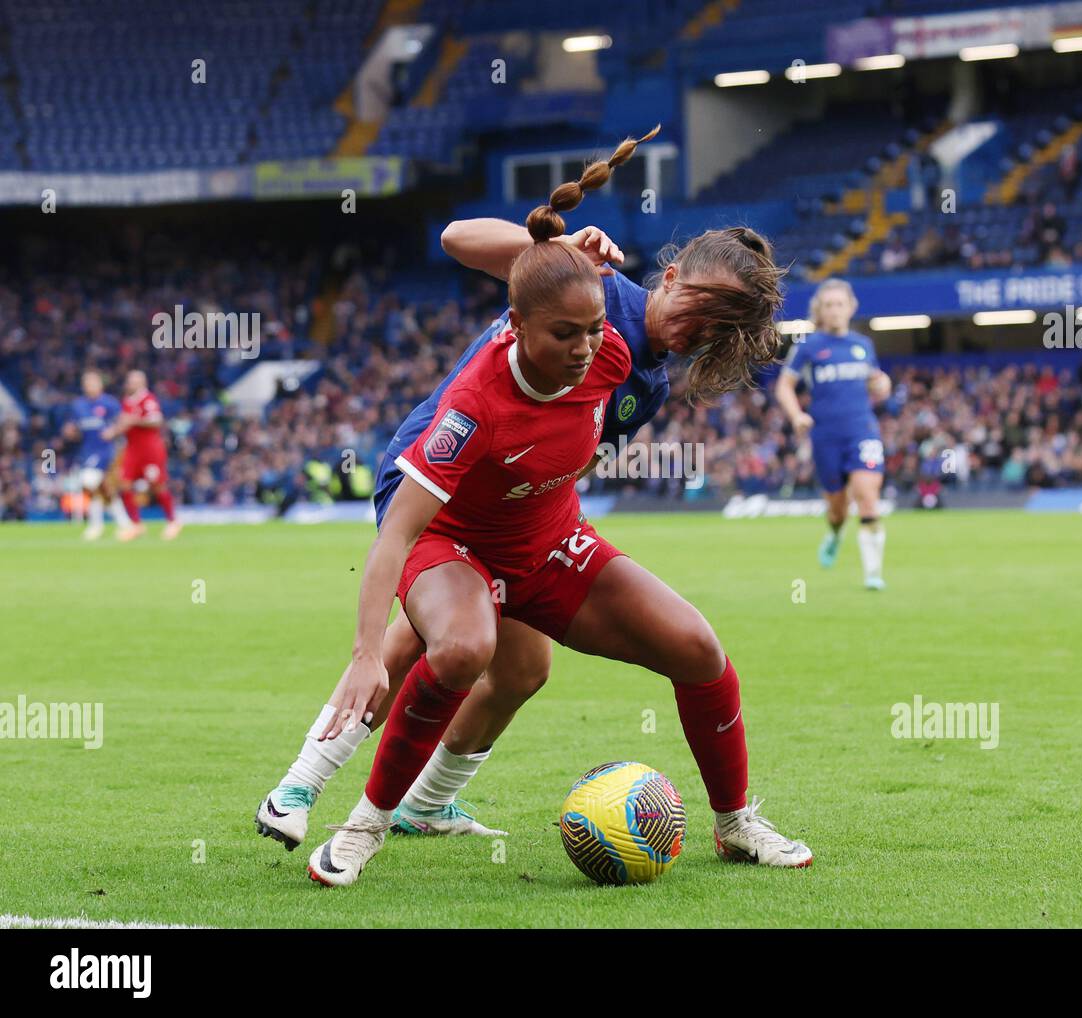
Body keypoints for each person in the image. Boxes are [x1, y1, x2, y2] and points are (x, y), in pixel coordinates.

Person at [300, 152, 809, 888]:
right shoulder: (590, 292)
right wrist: (553, 249)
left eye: (726, 325)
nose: (706, 329)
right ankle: (349, 813)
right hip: (449, 510)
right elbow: (456, 238)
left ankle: (732, 825)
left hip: (534, 532)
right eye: (705, 305)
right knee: (450, 648)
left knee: (674, 652)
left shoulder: (653, 372)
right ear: (668, 276)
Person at [774, 279, 892, 589]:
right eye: (829, 305)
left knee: (868, 497)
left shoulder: (863, 345)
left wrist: (883, 384)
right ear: (820, 310)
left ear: (851, 307)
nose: (835, 310)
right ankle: (836, 532)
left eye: (840, 304)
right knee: (838, 508)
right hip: (826, 436)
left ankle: (873, 574)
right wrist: (797, 415)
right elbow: (784, 385)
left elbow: (877, 382)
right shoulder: (809, 347)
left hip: (862, 431)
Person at [104, 370, 182, 541]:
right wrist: (114, 431)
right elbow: (125, 424)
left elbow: (156, 421)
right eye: (129, 381)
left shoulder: (148, 400)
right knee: (124, 484)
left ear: (142, 383)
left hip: (150, 450)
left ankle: (173, 522)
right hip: (132, 450)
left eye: (134, 381)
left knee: (157, 486)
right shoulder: (127, 401)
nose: (130, 384)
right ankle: (136, 524)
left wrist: (134, 420)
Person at [62, 370, 127, 540]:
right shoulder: (78, 405)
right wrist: (70, 432)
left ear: (100, 384)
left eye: (93, 382)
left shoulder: (109, 403)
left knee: (89, 481)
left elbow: (123, 421)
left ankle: (96, 525)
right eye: (86, 383)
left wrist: (113, 431)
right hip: (86, 451)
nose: (89, 386)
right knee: (99, 487)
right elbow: (74, 428)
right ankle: (123, 523)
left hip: (105, 450)